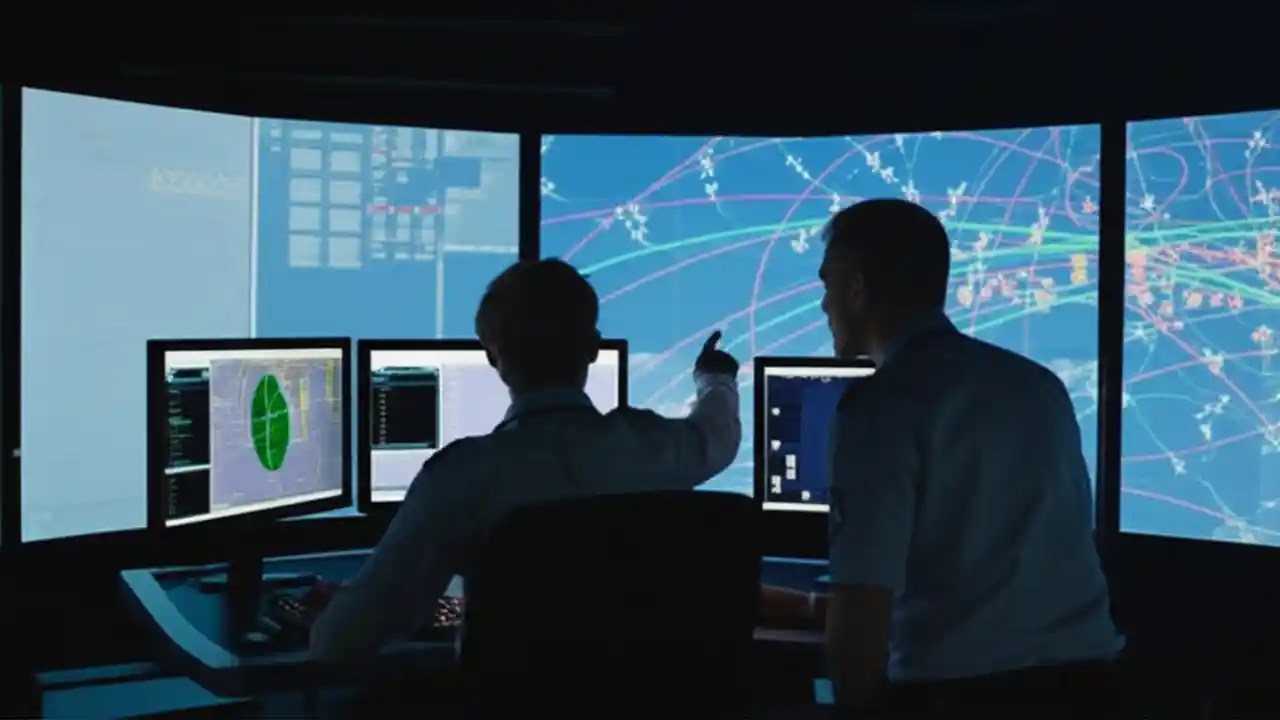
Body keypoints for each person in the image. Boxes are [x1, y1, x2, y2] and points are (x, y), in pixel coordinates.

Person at [310, 258, 742, 663]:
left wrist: (333, 611)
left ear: (493, 357)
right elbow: (716, 435)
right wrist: (715, 379)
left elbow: (340, 642)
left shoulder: (459, 476)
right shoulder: (652, 447)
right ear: (593, 347)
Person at [815, 198, 1123, 714]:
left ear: (856, 287)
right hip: (1093, 691)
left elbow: (860, 615)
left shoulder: (880, 407)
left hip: (957, 698)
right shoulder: (1040, 387)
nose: (824, 305)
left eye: (827, 285)